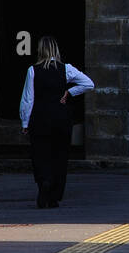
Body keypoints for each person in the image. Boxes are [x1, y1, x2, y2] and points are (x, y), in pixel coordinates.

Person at [19, 36, 94, 208]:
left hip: (39, 118)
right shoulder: (66, 69)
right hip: (61, 118)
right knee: (59, 155)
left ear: (40, 50)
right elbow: (89, 83)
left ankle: (44, 182)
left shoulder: (33, 70)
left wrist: (25, 122)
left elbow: (28, 99)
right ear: (56, 50)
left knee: (40, 154)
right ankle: (54, 194)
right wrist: (70, 92)